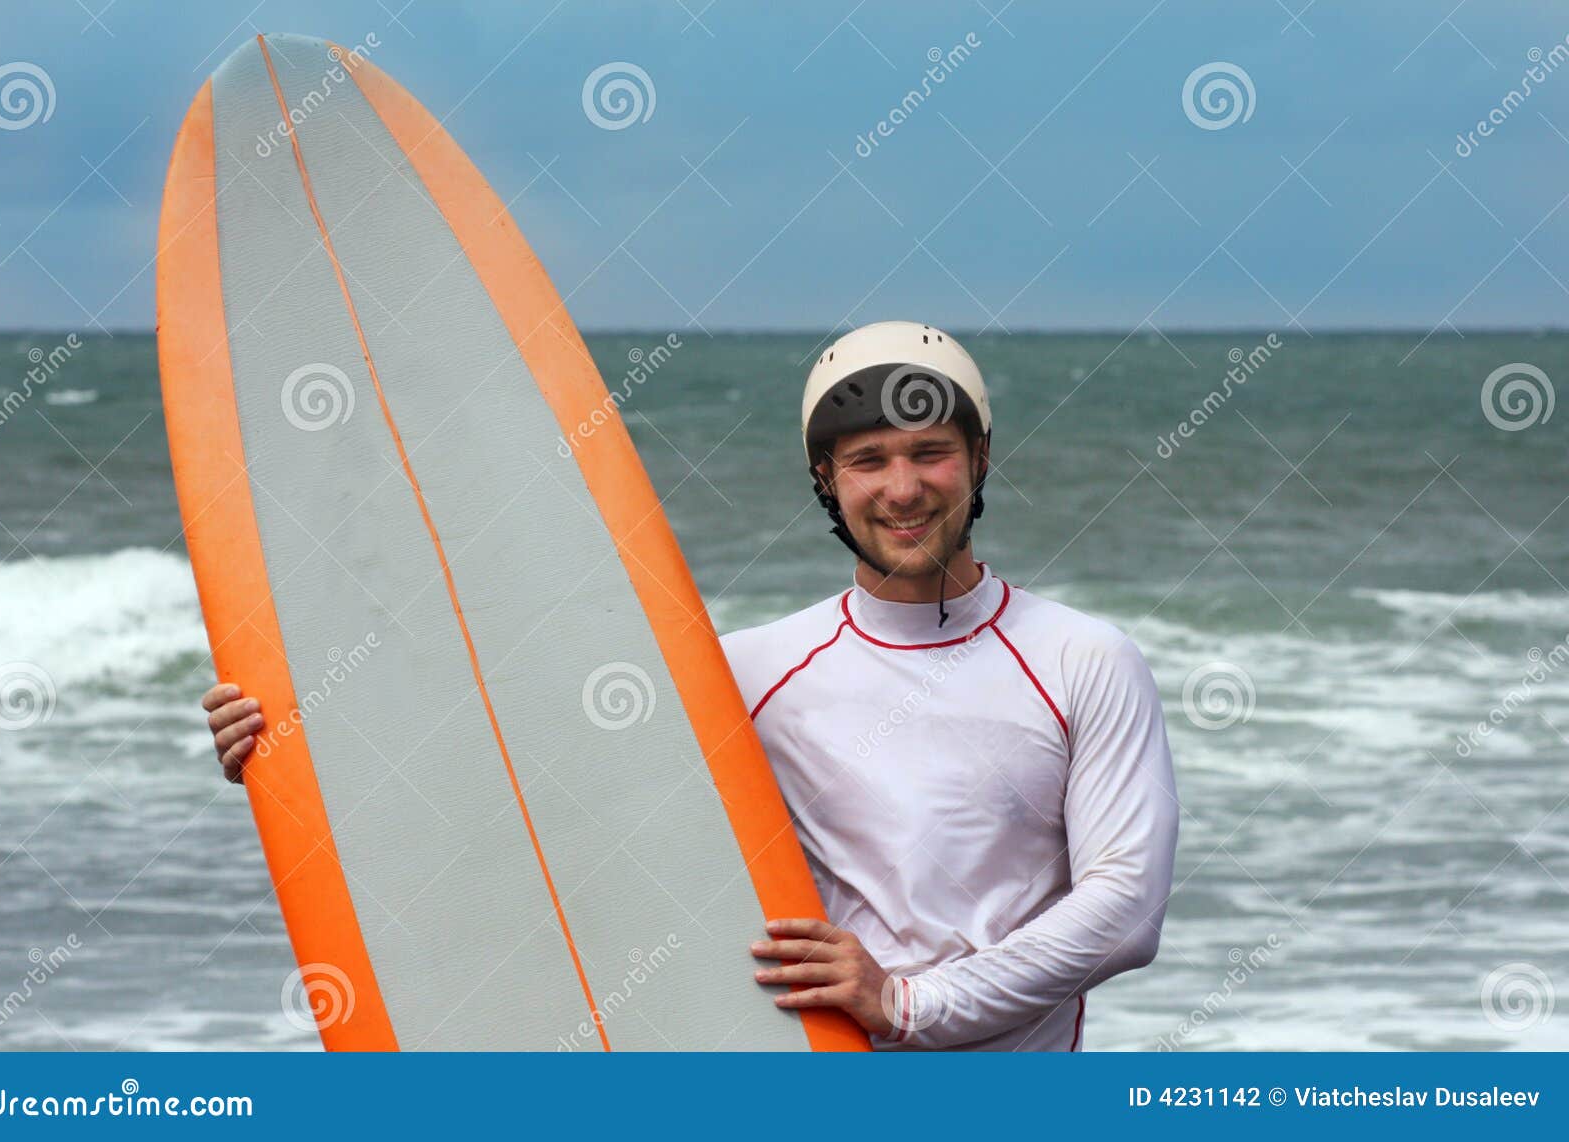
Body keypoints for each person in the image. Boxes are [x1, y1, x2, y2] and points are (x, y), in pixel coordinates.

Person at [202, 320, 1178, 1051]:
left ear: (978, 460)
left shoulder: (1079, 660)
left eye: (930, 452)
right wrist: (295, 742)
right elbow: (525, 785)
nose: (902, 486)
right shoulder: (748, 672)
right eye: (867, 460)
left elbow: (1124, 905)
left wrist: (910, 1000)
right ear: (825, 483)